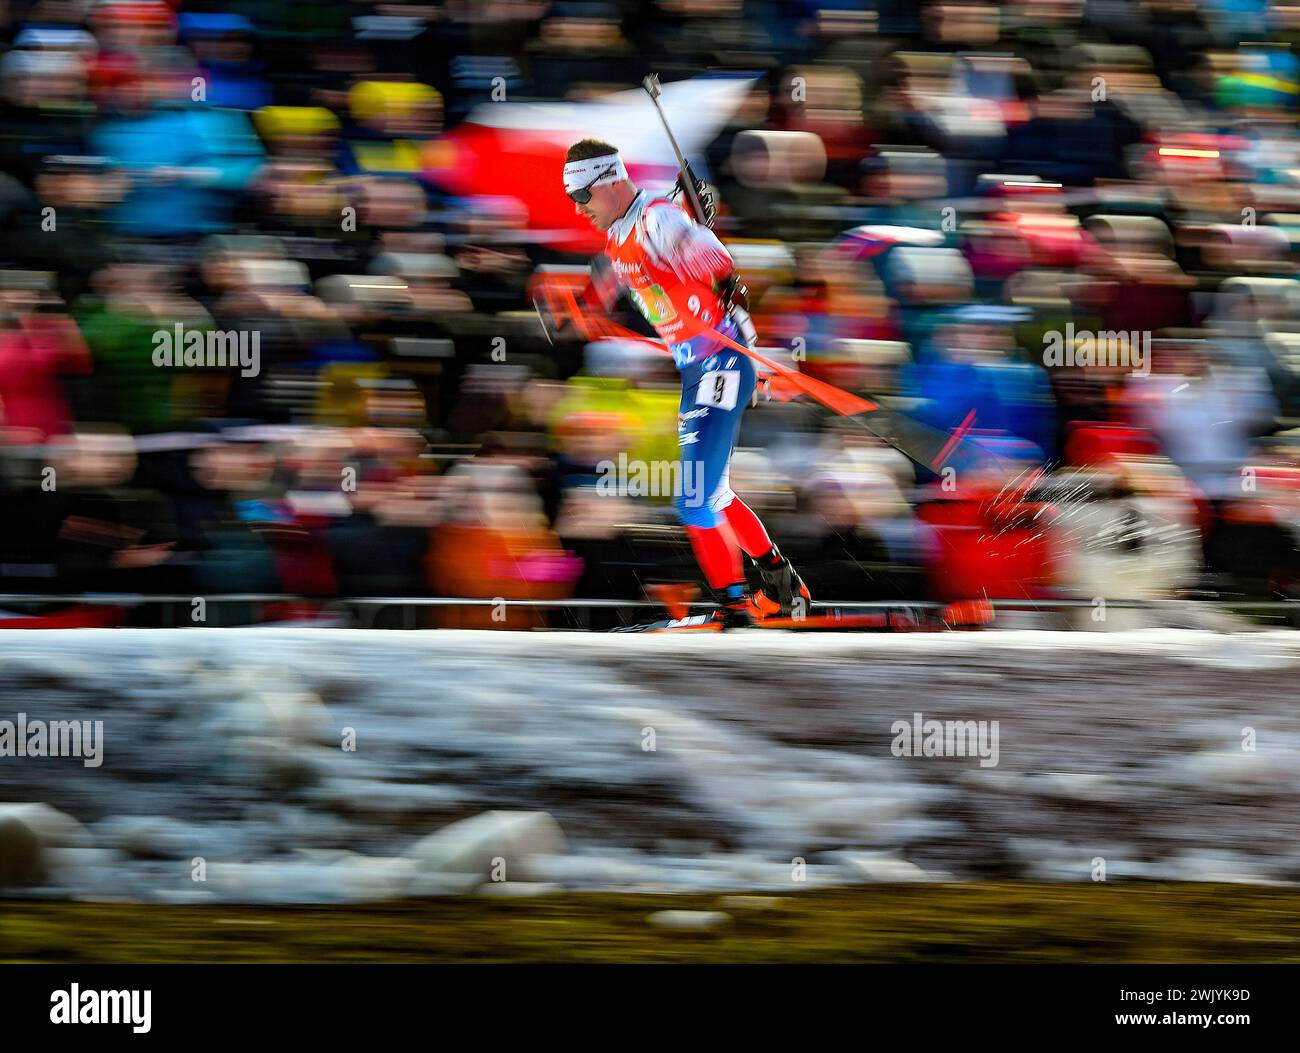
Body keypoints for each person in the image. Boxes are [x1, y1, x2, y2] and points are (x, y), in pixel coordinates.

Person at [562, 138, 809, 627]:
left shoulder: (658, 220)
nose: (579, 209)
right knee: (712, 493)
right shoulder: (622, 231)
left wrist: (690, 229)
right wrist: (584, 309)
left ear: (610, 182)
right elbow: (617, 277)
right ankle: (782, 584)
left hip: (721, 362)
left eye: (582, 197)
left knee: (693, 497)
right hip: (696, 370)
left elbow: (724, 277)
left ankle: (733, 606)